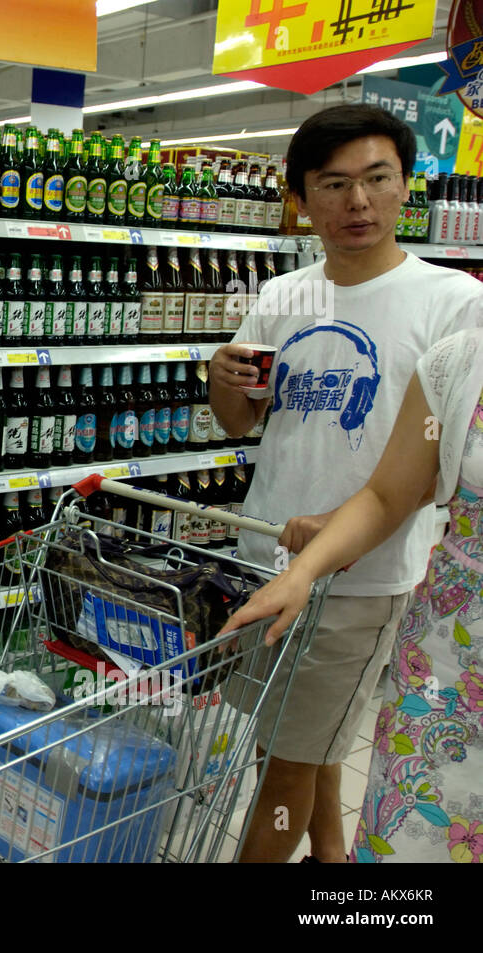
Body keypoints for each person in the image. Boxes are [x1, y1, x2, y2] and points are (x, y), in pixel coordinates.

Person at [209, 104, 483, 863]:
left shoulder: (455, 302)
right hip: (265, 550)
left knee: (287, 762)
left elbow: (445, 461)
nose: (357, 202)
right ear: (302, 198)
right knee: (291, 736)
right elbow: (236, 422)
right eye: (334, 184)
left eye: (376, 179)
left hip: (365, 571)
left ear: (406, 188)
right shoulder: (281, 296)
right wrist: (221, 379)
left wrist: (337, 523)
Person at [221, 327, 483, 863]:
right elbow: (389, 493)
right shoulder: (462, 359)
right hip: (453, 656)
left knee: (297, 751)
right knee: (424, 830)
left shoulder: (451, 299)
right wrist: (303, 572)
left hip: (373, 595)